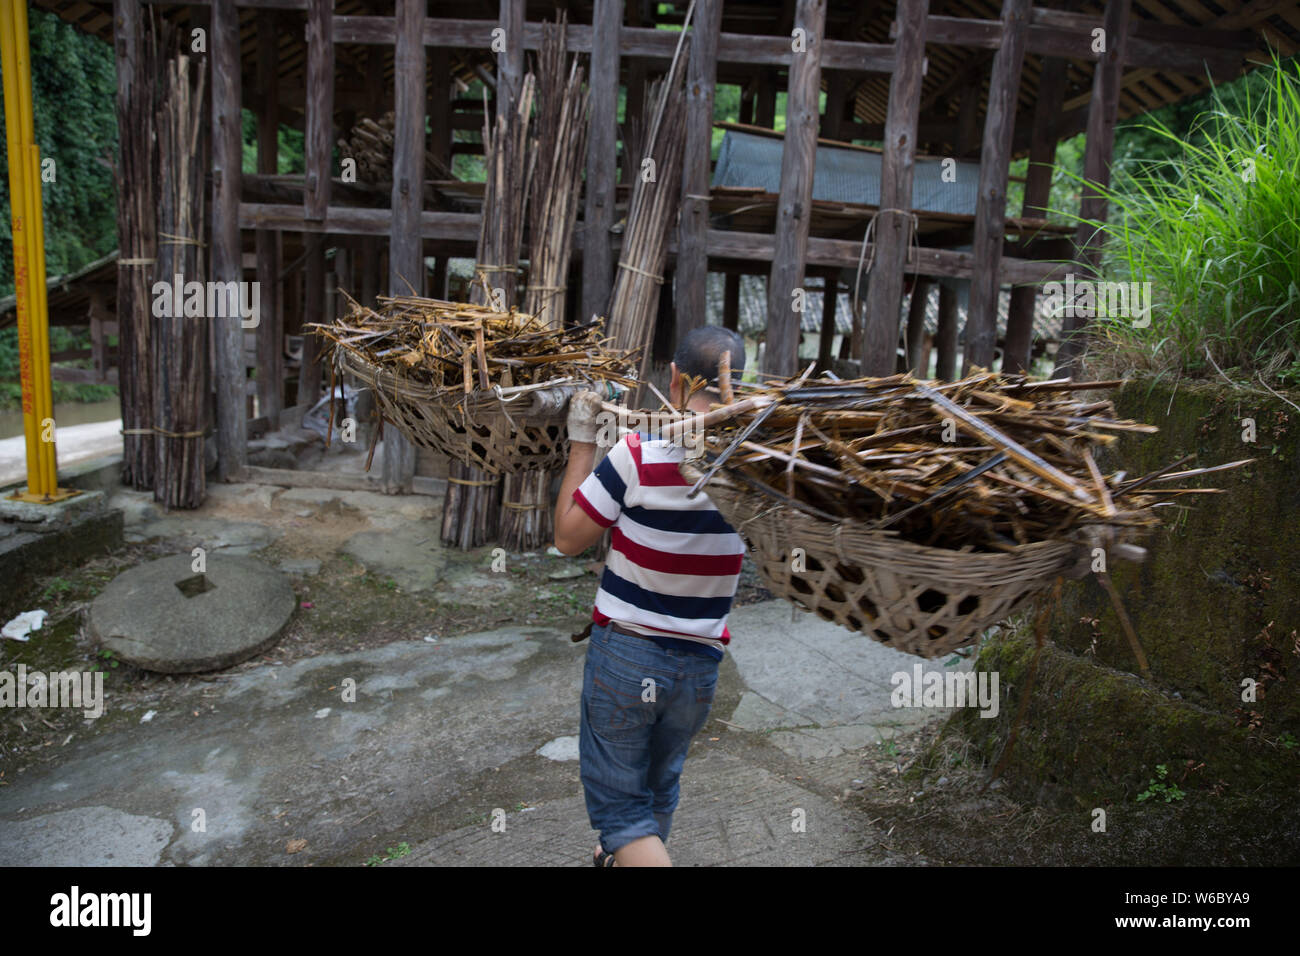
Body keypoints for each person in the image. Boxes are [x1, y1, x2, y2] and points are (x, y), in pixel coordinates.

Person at [553, 325, 748, 867]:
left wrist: (583, 443)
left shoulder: (638, 457)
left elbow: (568, 538)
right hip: (700, 669)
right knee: (657, 791)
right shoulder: (758, 475)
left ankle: (623, 848)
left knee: (620, 811)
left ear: (675, 380)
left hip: (628, 657)